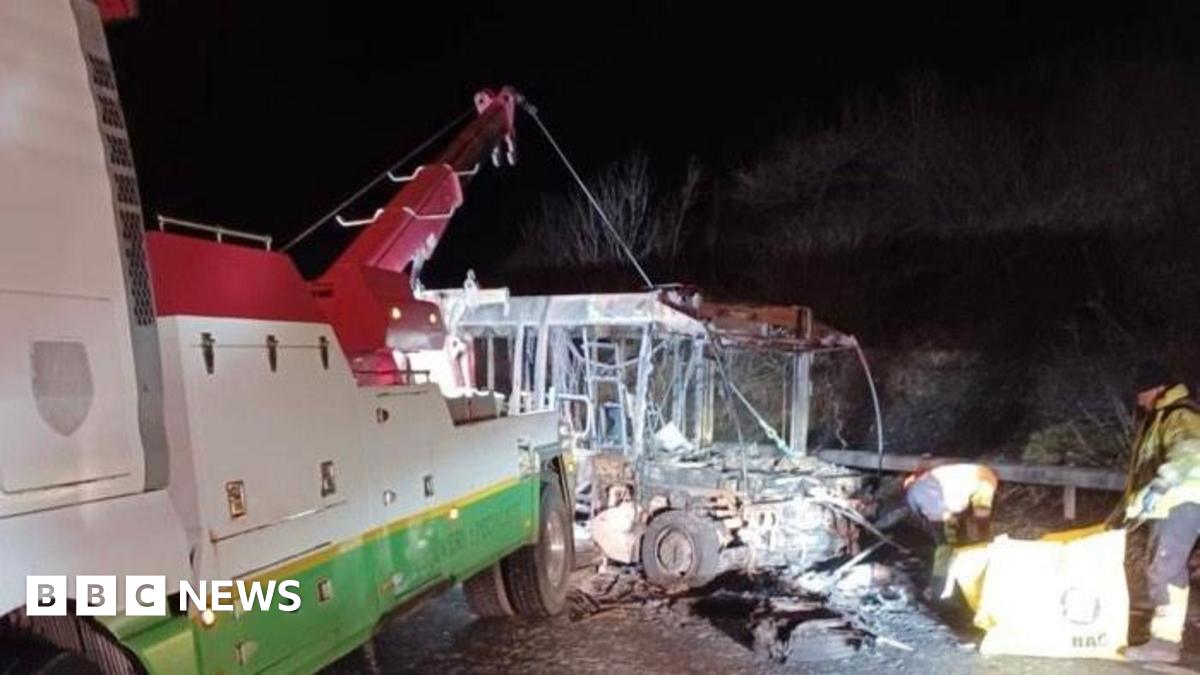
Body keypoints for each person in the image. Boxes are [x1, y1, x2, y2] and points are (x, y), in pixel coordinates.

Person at [1122, 359, 1200, 664]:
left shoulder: (1178, 414)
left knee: (1165, 567)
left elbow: (1191, 451)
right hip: (1176, 500)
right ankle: (1165, 638)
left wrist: (1161, 485)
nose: (1138, 400)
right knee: (1165, 565)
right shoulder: (1163, 416)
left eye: (1140, 393)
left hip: (1182, 499)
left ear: (1155, 389)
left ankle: (1165, 643)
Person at [904, 461, 998, 599]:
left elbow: (978, 514)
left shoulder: (930, 493)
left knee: (946, 545)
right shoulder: (921, 491)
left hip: (980, 480)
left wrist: (981, 538)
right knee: (949, 537)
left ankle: (939, 587)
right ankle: (964, 558)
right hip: (960, 486)